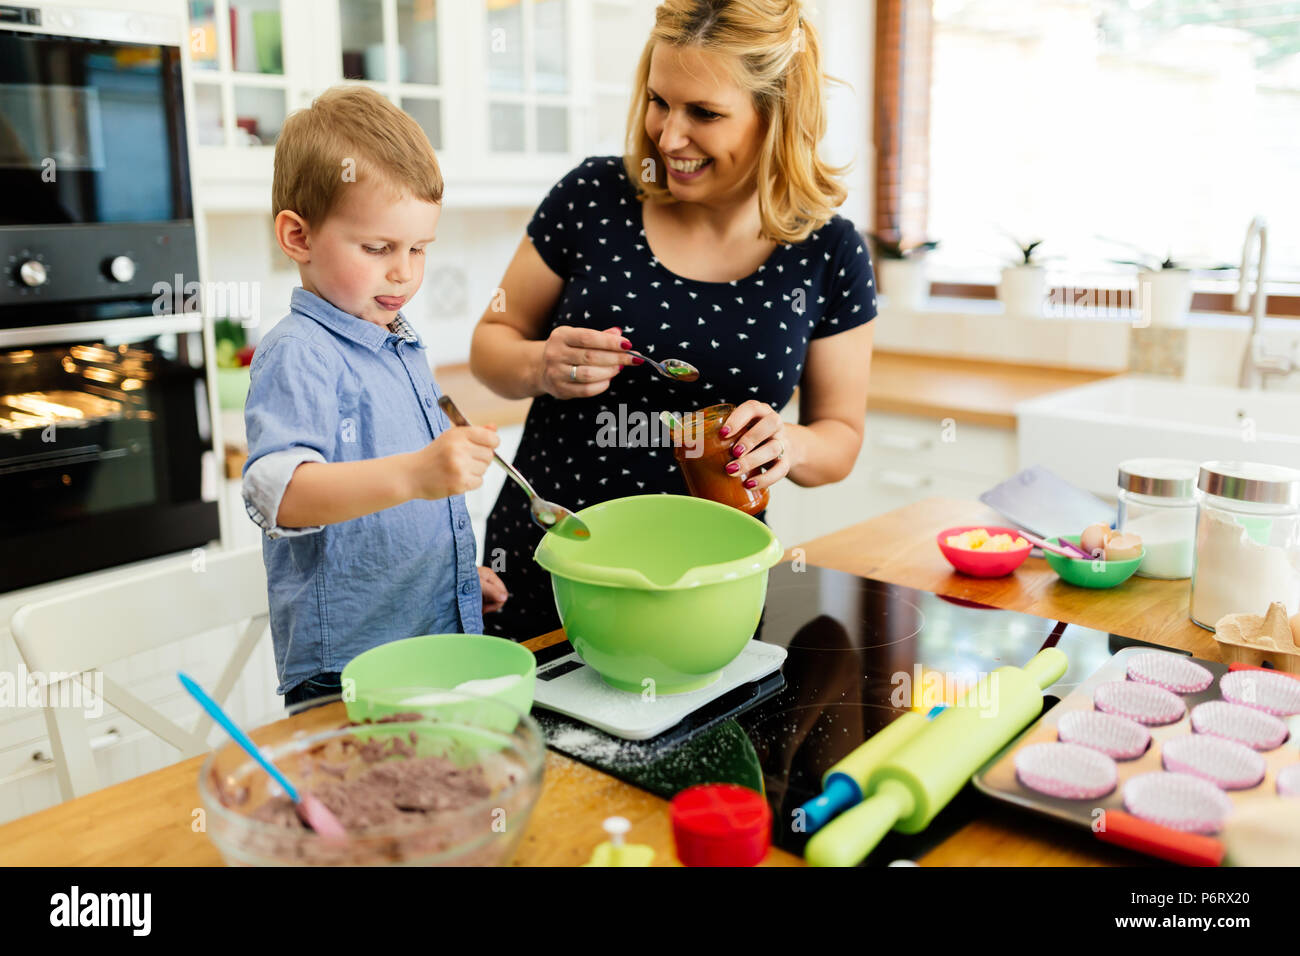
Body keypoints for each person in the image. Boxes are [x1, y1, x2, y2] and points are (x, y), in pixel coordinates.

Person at [469, 0, 876, 641]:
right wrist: (540, 364)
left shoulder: (829, 252)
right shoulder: (591, 197)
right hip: (548, 562)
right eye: (660, 101)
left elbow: (841, 435)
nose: (669, 135)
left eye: (705, 113)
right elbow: (491, 342)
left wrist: (790, 443)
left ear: (776, 116)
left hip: (709, 588)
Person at [242, 86, 508, 707]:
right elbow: (282, 496)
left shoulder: (397, 343)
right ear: (298, 237)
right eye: (378, 248)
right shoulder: (299, 352)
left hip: (428, 651)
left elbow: (390, 524)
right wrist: (418, 473)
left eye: (419, 249)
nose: (405, 273)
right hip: (351, 679)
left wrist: (452, 579)